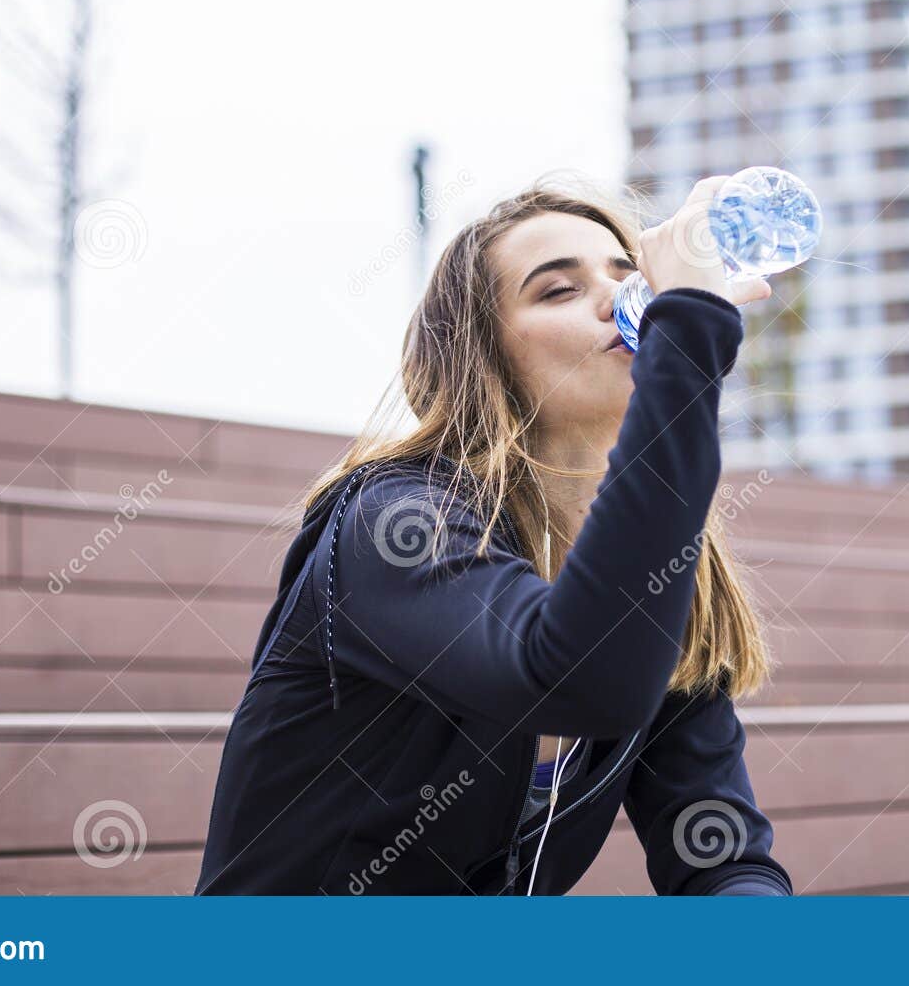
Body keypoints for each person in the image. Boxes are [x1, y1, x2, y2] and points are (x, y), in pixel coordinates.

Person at [195, 174, 793, 896]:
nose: (622, 298)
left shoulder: (663, 576)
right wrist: (691, 333)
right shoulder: (396, 526)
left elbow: (720, 857)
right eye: (558, 290)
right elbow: (578, 679)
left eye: (629, 273)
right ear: (484, 358)